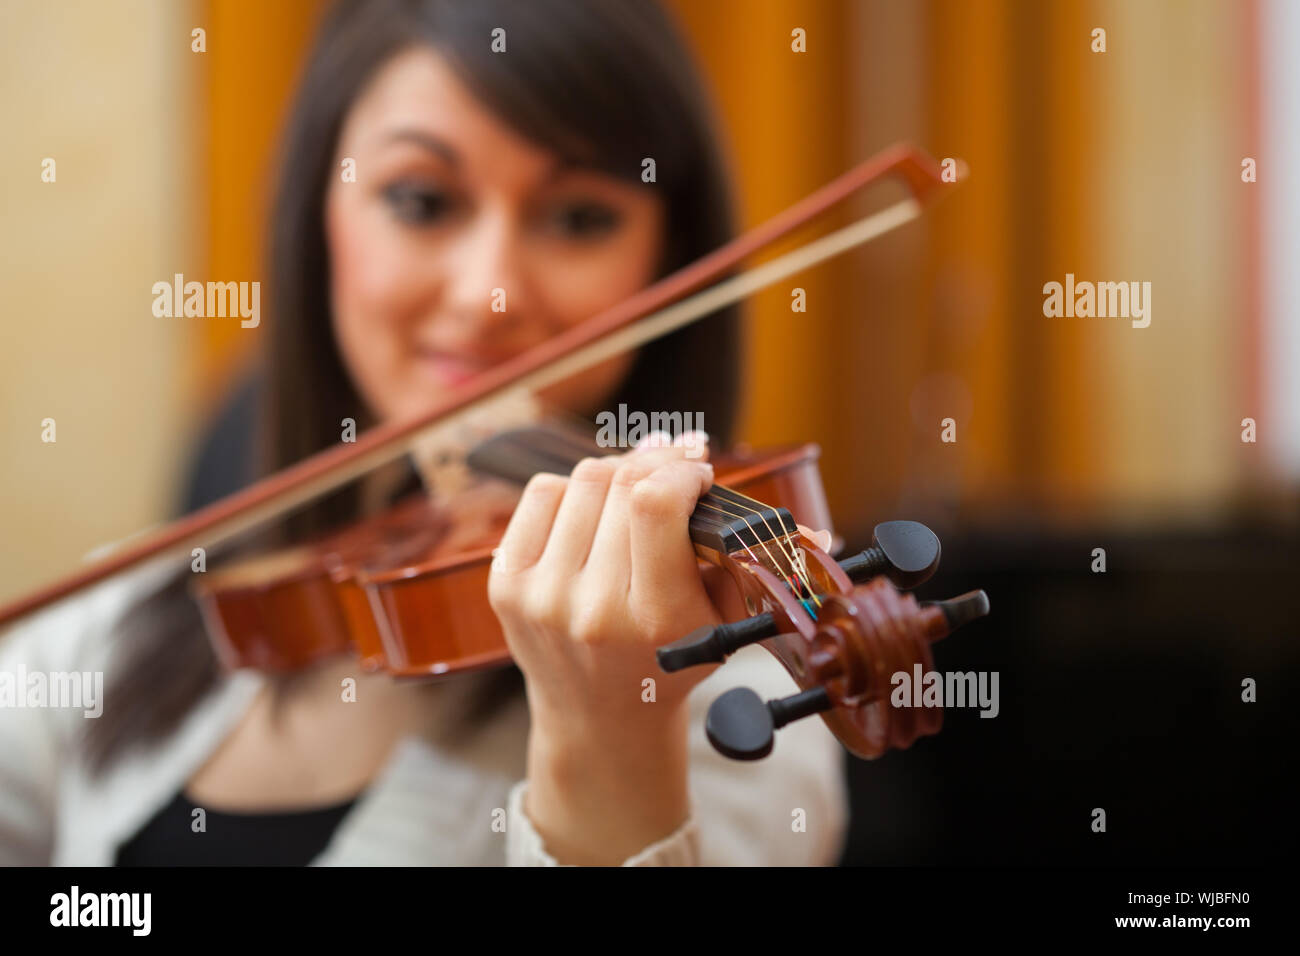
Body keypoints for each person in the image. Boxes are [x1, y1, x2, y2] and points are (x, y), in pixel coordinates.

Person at [0, 0, 848, 866]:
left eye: (579, 217)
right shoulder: (142, 615)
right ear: (317, 216)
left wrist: (614, 749)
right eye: (422, 200)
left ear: (668, 257)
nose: (492, 292)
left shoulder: (741, 690)